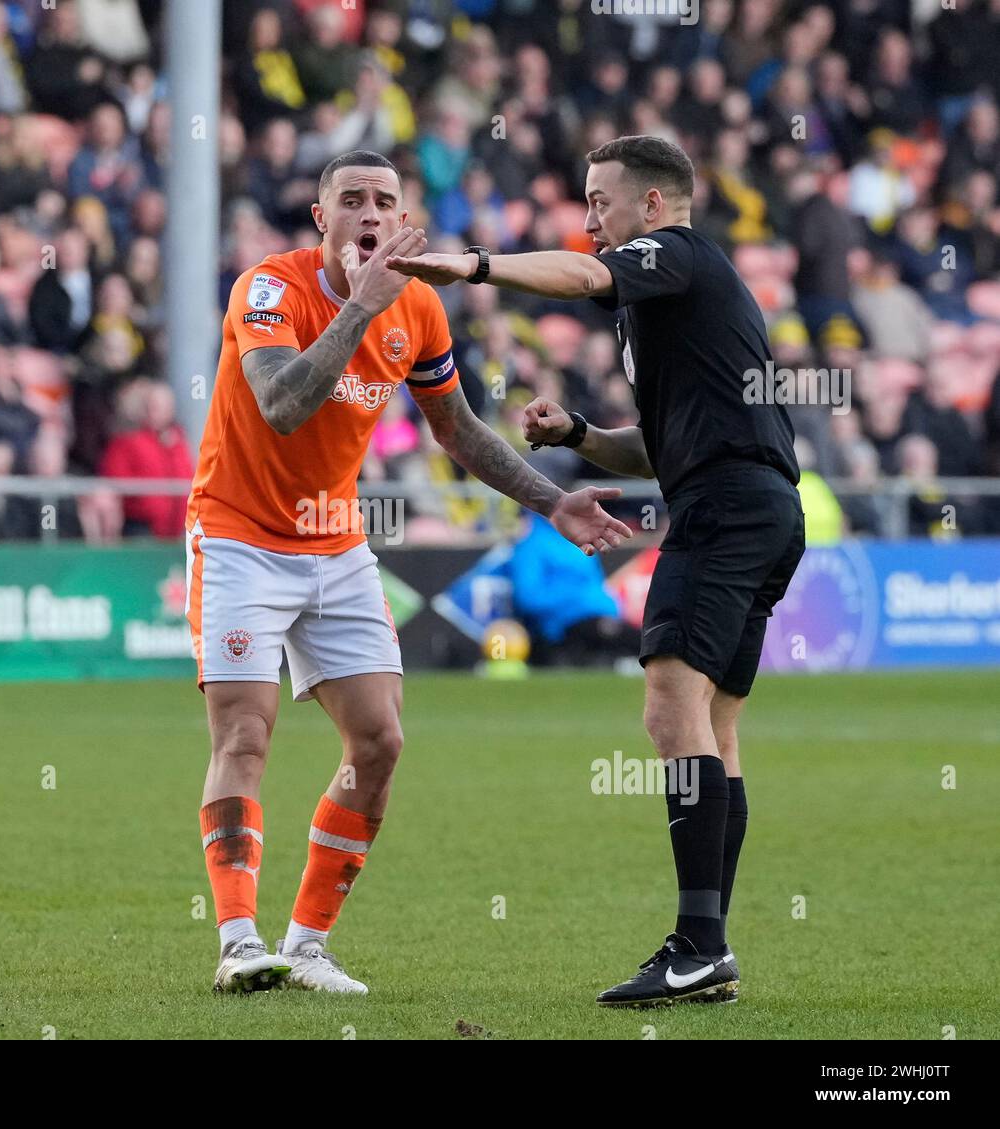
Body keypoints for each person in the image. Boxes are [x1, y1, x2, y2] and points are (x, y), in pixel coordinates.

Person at [188, 149, 631, 995]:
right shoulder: (268, 289)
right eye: (349, 199)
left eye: (384, 201)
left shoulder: (420, 307)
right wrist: (358, 306)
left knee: (381, 741)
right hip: (239, 533)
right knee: (246, 733)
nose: (368, 212)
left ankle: (308, 943)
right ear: (322, 216)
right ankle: (240, 939)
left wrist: (552, 500)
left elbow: (458, 430)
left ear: (399, 219)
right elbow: (283, 408)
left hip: (337, 543)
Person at [390, 134, 806, 1008]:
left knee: (667, 708)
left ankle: (697, 944)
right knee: (713, 730)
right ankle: (708, 950)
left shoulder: (677, 254)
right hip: (758, 506)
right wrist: (579, 436)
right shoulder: (673, 296)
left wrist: (469, 264)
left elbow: (581, 276)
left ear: (651, 205)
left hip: (727, 510)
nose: (589, 222)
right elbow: (659, 445)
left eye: (600, 202)